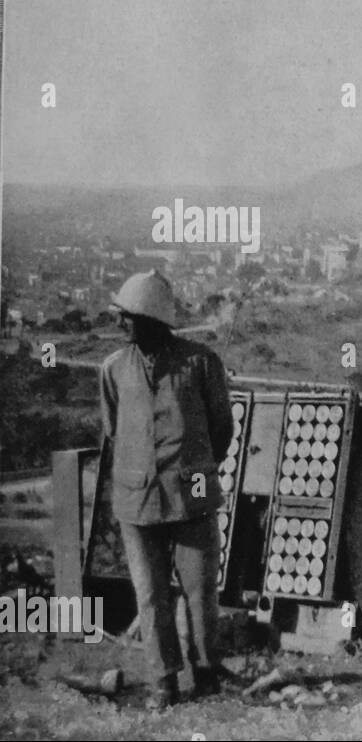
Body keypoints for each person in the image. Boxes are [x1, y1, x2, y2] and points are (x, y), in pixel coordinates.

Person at [99, 270, 233, 709]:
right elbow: (114, 433)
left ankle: (207, 672)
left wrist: (194, 472)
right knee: (151, 594)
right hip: (136, 500)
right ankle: (164, 682)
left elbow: (221, 429)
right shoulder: (113, 370)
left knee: (200, 590)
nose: (122, 324)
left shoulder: (200, 363)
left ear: (152, 319)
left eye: (129, 316)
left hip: (191, 492)